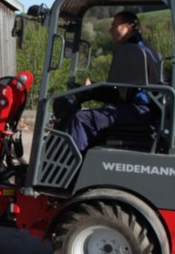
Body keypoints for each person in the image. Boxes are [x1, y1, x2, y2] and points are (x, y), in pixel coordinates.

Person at [64, 11, 164, 152]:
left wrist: (92, 89)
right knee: (95, 119)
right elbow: (122, 89)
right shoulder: (149, 50)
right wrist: (93, 88)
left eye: (114, 25)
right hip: (149, 110)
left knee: (81, 119)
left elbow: (118, 94)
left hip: (139, 110)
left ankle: (66, 167)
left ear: (128, 28)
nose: (110, 30)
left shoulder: (131, 52)